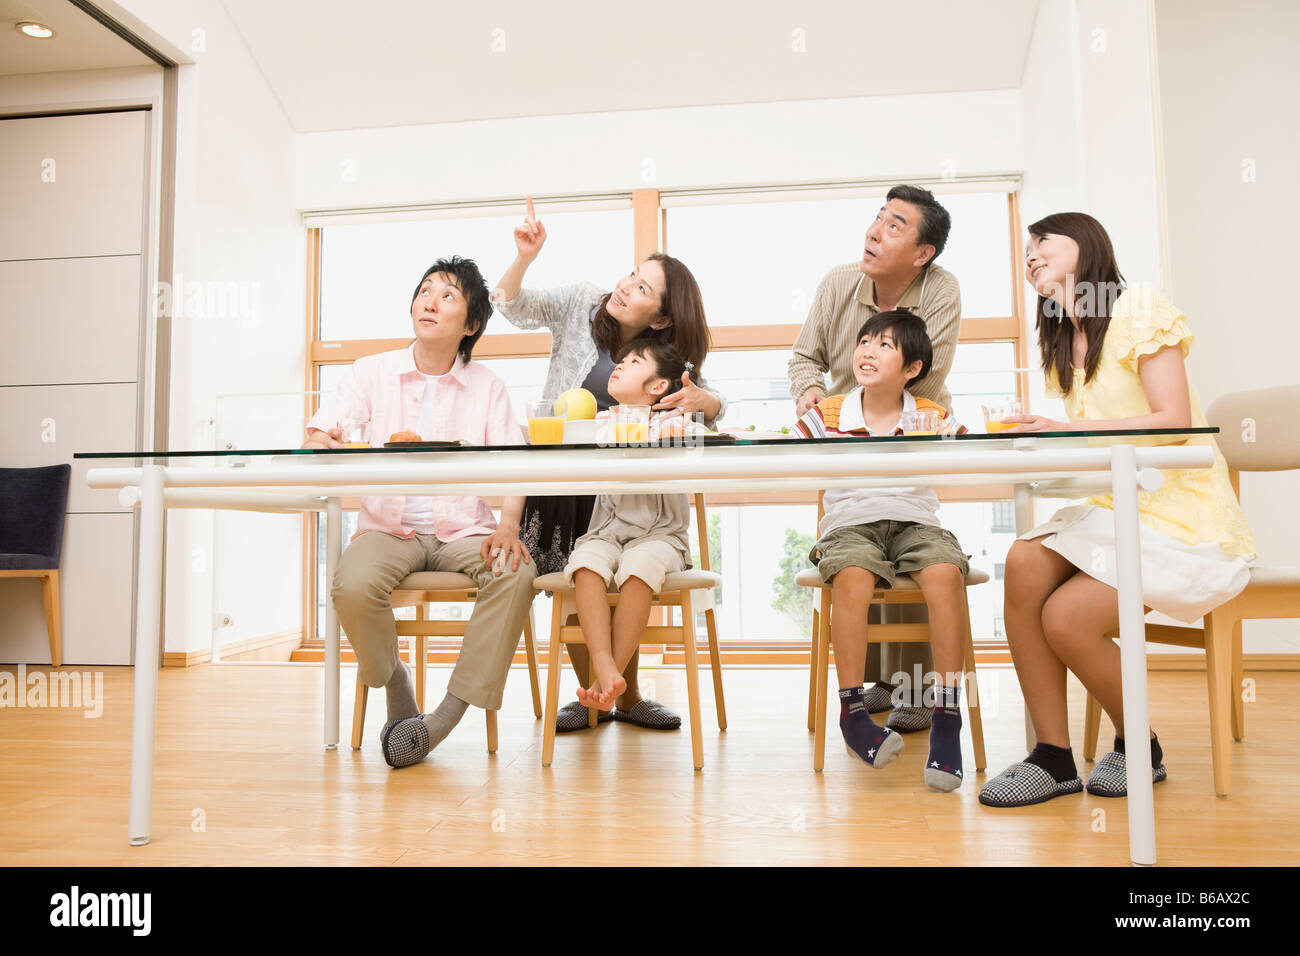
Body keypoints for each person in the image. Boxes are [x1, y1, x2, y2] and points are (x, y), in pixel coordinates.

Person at [979, 213, 1255, 808]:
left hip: (1179, 514)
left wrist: (1069, 427)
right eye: (1025, 249)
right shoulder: (1061, 339)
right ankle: (1052, 758)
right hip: (1116, 506)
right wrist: (1041, 436)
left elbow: (1173, 420)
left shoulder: (1137, 309)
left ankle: (1138, 746)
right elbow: (1094, 441)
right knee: (1023, 559)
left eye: (1043, 241)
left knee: (1067, 618)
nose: (1030, 254)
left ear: (1087, 244)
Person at [494, 197, 725, 733]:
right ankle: (600, 692)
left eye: (643, 288)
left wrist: (709, 404)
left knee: (630, 569)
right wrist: (524, 257)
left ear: (663, 317)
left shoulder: (661, 363)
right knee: (581, 573)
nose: (625, 287)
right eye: (631, 275)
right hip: (561, 480)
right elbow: (509, 303)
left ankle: (625, 691)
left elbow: (707, 404)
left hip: (624, 492)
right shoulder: (581, 303)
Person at [304, 256, 538, 769]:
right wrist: (344, 444)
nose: (430, 301)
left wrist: (506, 526)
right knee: (351, 585)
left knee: (517, 571)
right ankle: (397, 684)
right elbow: (320, 433)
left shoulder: (489, 386)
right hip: (389, 529)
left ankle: (442, 719)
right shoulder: (372, 371)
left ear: (471, 323)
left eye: (448, 295)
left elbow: (515, 464)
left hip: (465, 531)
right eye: (424, 291)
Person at [789, 184, 961, 732]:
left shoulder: (941, 289)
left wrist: (890, 409)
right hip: (840, 431)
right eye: (877, 218)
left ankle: (918, 686)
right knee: (858, 552)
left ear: (921, 253)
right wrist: (814, 397)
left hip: (909, 424)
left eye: (894, 226)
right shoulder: (841, 281)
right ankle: (870, 689)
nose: (874, 231)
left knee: (914, 543)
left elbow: (926, 372)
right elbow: (804, 356)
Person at [794, 310, 973, 790]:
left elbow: (972, 452)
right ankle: (853, 714)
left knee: (945, 573)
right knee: (852, 576)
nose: (868, 351)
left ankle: (948, 715)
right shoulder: (827, 414)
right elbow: (782, 451)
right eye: (865, 341)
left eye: (885, 345)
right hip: (850, 524)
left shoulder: (928, 415)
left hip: (916, 522)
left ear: (912, 369)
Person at [566, 340, 705, 710]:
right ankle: (606, 664)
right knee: (584, 563)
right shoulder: (601, 423)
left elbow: (701, 440)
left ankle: (604, 680)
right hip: (606, 533)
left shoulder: (672, 423)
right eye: (622, 359)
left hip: (661, 537)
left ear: (658, 386)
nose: (620, 364)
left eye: (634, 361)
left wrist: (682, 437)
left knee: (639, 567)